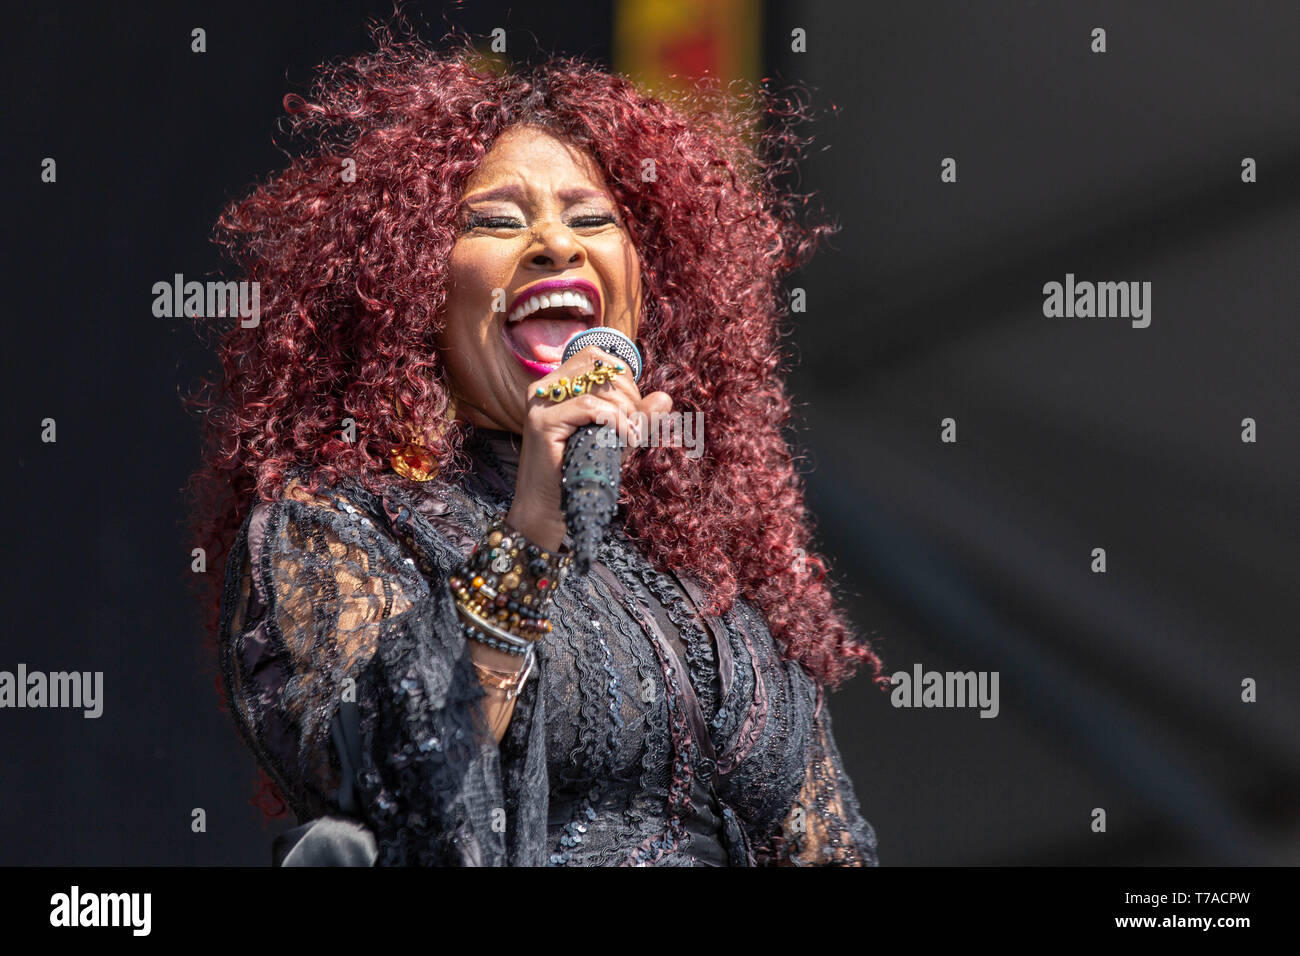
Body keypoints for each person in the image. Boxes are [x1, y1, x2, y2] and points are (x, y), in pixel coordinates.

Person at [190, 24, 887, 866]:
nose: (557, 243)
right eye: (497, 220)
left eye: (591, 217)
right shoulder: (335, 526)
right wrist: (530, 532)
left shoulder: (706, 573)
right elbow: (391, 789)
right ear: (412, 285)